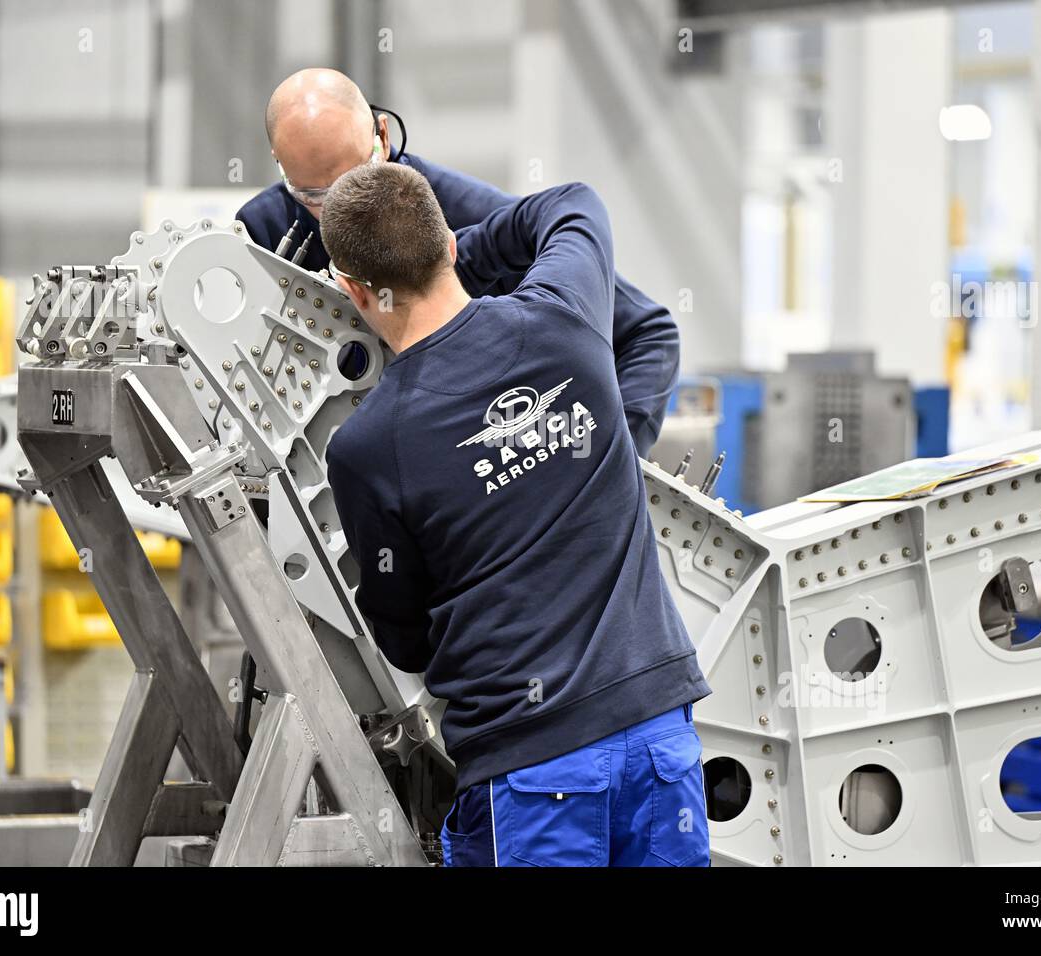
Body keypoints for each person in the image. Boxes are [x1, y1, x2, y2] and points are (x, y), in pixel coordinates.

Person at [319, 161, 711, 867]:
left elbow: (404, 642)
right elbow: (574, 202)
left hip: (532, 774)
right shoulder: (565, 315)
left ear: (352, 290)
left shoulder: (365, 448)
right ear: (450, 246)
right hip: (659, 737)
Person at [237, 67, 678, 455]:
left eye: (357, 177)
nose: (343, 209)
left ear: (383, 136)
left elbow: (647, 334)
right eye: (317, 196)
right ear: (282, 169)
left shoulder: (480, 219)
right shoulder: (263, 235)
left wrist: (614, 457)